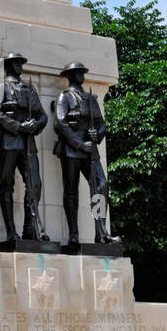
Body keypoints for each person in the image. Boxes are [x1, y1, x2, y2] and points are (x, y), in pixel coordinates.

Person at [0, 51, 49, 242]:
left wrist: (34, 125)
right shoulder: (1, 87)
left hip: (28, 143)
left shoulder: (29, 89)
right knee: (7, 185)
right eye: (16, 63)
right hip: (8, 141)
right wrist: (18, 126)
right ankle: (10, 232)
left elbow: (43, 115)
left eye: (20, 63)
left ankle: (30, 229)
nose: (19, 66)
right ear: (8, 66)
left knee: (35, 184)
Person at [52, 61, 113, 244]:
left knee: (101, 186)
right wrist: (80, 144)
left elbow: (101, 123)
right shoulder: (65, 97)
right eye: (77, 72)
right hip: (72, 150)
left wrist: (98, 133)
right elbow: (59, 124)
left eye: (82, 72)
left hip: (90, 151)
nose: (81, 75)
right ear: (70, 76)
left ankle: (101, 232)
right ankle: (73, 234)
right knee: (71, 192)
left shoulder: (90, 98)